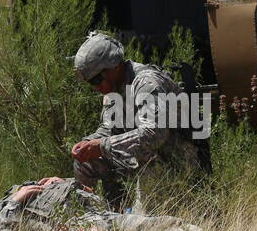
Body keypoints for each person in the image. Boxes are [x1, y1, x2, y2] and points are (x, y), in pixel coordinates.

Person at [68, 31, 202, 209]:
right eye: (91, 82)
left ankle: (140, 219)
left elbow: (154, 134)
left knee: (141, 225)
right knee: (85, 162)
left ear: (114, 66)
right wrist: (88, 144)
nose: (96, 87)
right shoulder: (113, 90)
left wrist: (101, 146)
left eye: (97, 79)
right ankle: (98, 216)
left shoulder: (147, 83)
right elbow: (109, 129)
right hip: (143, 158)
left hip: (174, 160)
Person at [0, 176, 200, 231]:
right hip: (74, 224)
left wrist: (56, 182)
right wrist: (15, 200)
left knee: (148, 223)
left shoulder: (0, 205)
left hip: (83, 210)